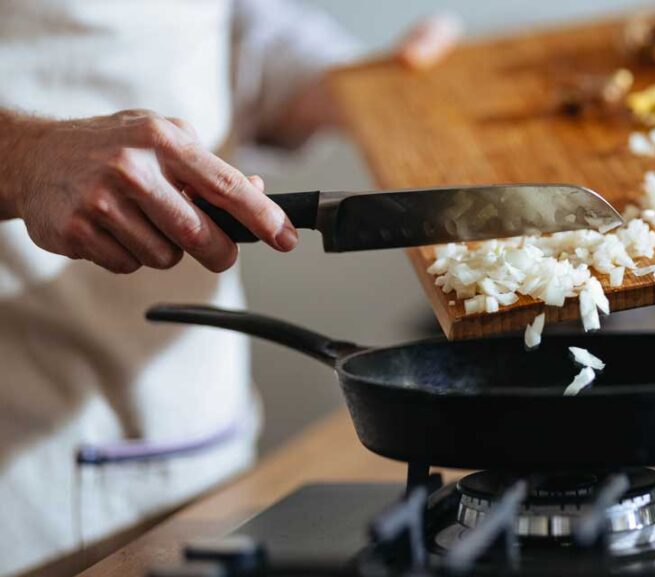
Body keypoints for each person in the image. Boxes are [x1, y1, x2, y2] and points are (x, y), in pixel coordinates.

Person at [0, 2, 455, 574]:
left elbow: (214, 25)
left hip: (198, 441)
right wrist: (19, 157)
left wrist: (346, 81)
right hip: (23, 473)